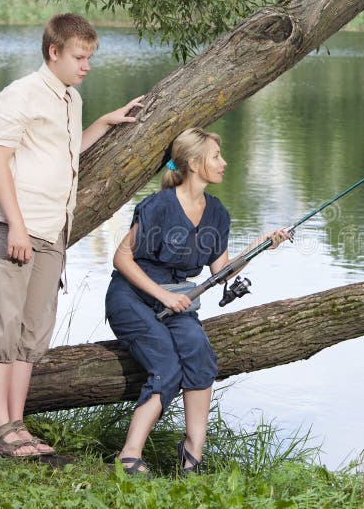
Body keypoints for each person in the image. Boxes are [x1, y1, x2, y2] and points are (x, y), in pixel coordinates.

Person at [0, 13, 144, 457]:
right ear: (54, 52)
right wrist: (16, 226)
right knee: (1, 327)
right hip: (13, 226)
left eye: (90, 57)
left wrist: (105, 122)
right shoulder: (20, 94)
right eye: (79, 56)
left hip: (53, 229)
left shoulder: (70, 99)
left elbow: (63, 153)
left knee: (31, 333)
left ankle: (17, 424)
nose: (87, 65)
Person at [105, 127, 288, 476]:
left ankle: (192, 454)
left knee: (200, 356)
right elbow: (122, 259)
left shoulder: (217, 213)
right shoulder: (158, 206)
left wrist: (261, 245)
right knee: (167, 367)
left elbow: (221, 270)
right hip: (132, 297)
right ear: (192, 162)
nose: (224, 162)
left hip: (178, 301)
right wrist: (163, 295)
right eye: (216, 156)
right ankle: (129, 455)